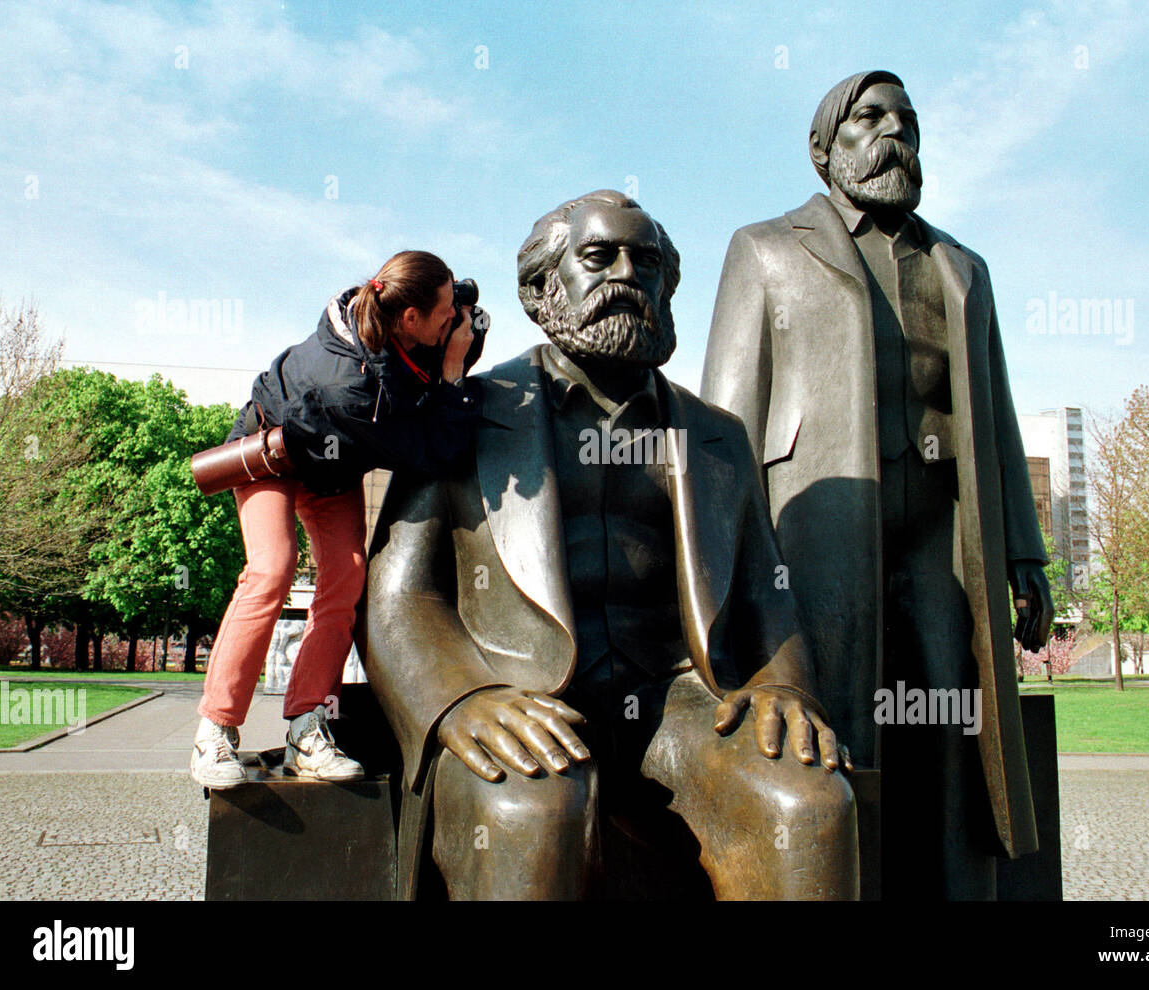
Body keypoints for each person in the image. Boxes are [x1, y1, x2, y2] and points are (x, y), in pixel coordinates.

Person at [364, 191, 857, 900]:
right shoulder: (463, 414)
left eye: (647, 262)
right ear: (541, 288)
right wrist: (464, 696)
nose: (627, 275)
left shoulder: (719, 438)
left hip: (683, 701)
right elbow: (400, 591)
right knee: (531, 809)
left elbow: (764, 590)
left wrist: (784, 686)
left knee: (807, 805)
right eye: (599, 256)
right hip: (526, 695)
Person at [701, 72, 1052, 898]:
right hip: (814, 531)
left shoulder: (962, 267)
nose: (893, 131)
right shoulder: (766, 248)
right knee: (834, 723)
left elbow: (993, 414)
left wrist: (1023, 551)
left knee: (948, 726)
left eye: (907, 119)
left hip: (941, 538)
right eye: (870, 117)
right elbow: (727, 415)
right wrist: (721, 553)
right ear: (825, 149)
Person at [191, 250, 484, 790]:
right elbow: (432, 448)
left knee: (346, 577)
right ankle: (215, 730)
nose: (453, 317)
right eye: (445, 311)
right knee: (271, 570)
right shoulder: (349, 386)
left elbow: (418, 394)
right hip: (272, 449)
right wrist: (451, 370)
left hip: (334, 461)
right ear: (410, 319)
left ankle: (308, 726)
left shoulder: (396, 330)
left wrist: (458, 341)